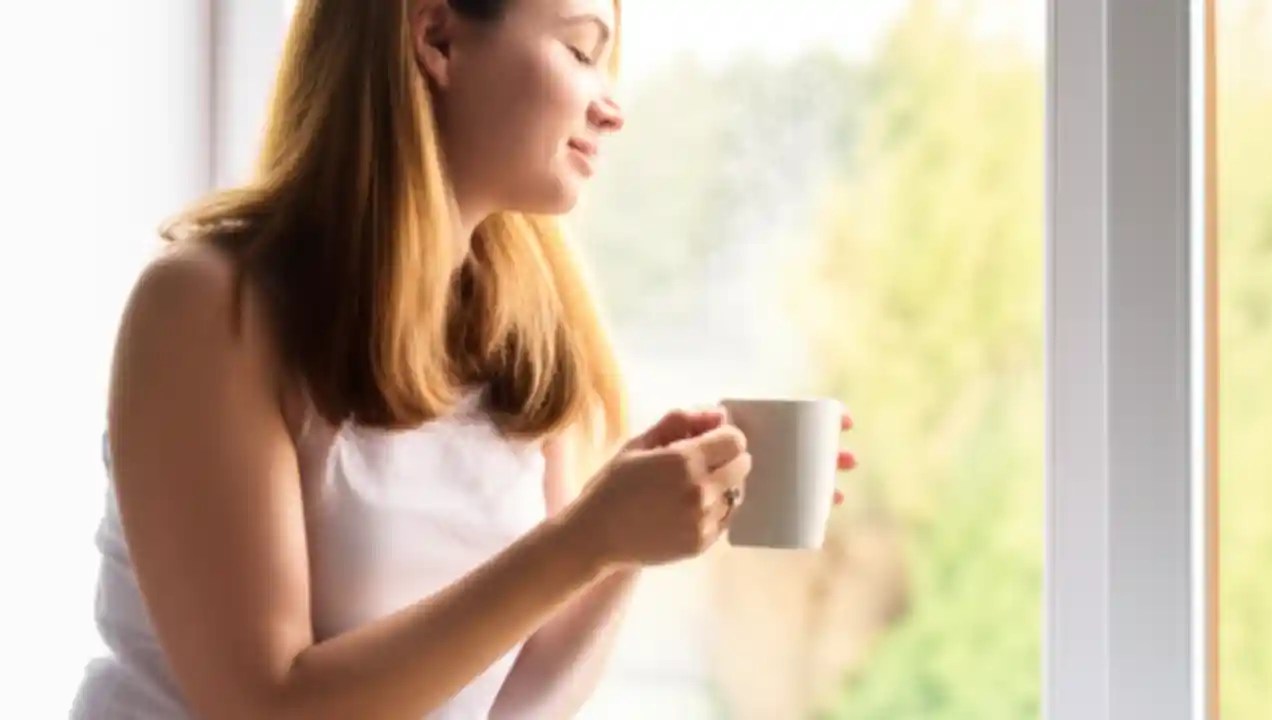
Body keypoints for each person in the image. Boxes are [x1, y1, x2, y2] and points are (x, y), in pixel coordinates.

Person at [71, 0, 858, 717]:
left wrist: (625, 544)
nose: (612, 109)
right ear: (438, 36)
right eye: (582, 51)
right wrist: (586, 538)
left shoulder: (527, 327)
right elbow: (266, 704)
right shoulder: (206, 307)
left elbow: (514, 703)